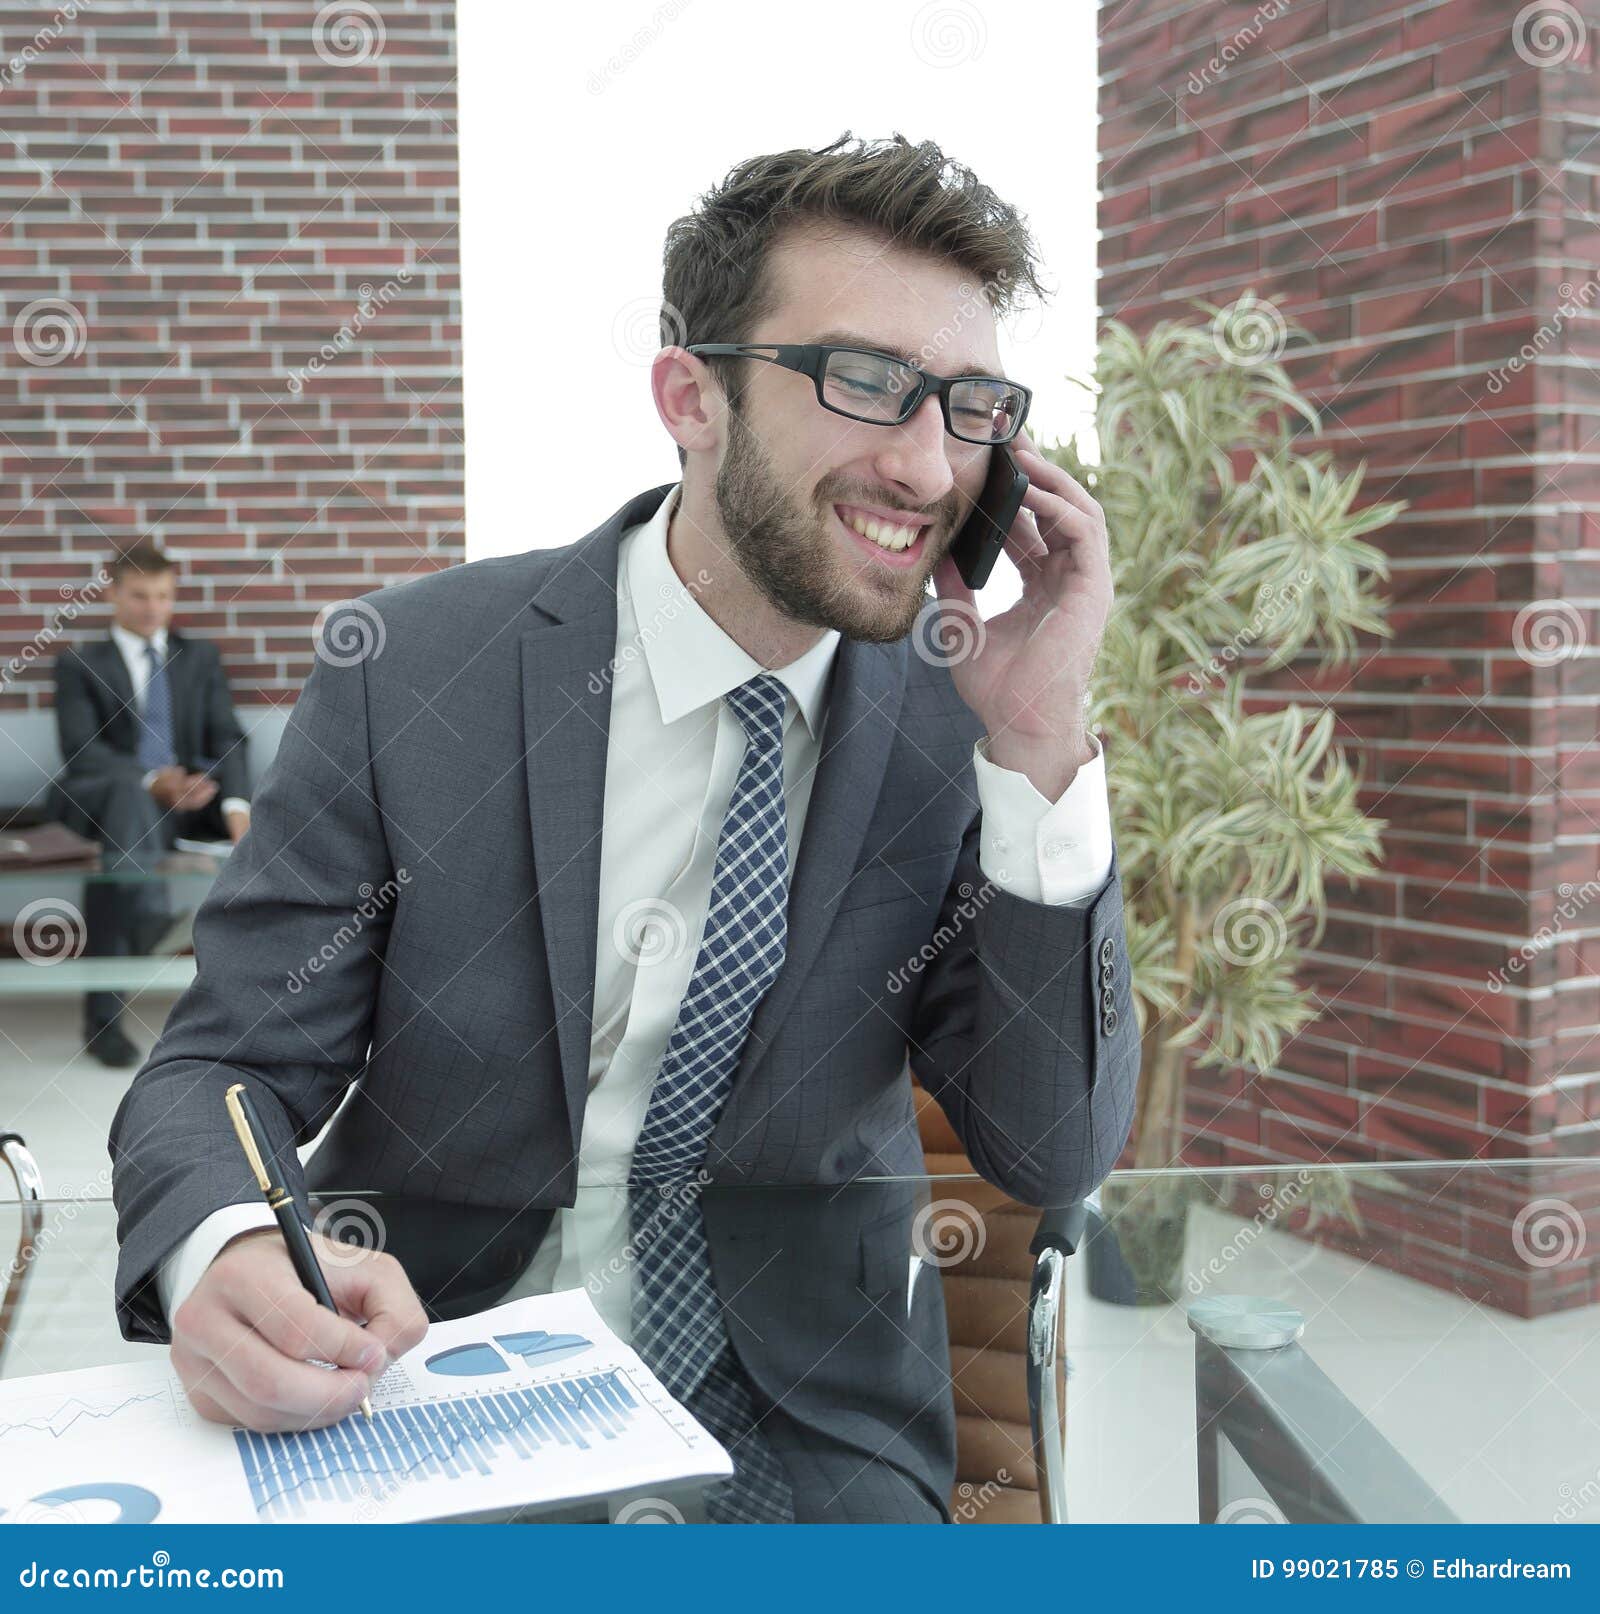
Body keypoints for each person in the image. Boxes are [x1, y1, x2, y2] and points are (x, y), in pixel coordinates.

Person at [109, 133, 1140, 1523]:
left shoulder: (965, 722)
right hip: (426, 1370)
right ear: (691, 393)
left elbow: (1055, 1148)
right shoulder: (415, 672)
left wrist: (1035, 746)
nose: (923, 462)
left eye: (970, 406)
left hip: (802, 1418)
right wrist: (225, 1242)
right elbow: (224, 1061)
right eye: (866, 382)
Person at [50, 542, 252, 1068]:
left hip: (190, 802)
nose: (153, 607)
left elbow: (228, 737)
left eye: (163, 596)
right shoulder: (78, 663)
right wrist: (153, 781)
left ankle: (115, 996)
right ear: (113, 593)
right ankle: (146, 928)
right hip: (102, 799)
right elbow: (81, 752)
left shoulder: (199, 657)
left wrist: (233, 804)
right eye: (140, 595)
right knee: (126, 805)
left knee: (125, 847)